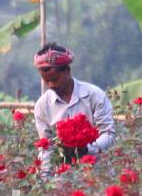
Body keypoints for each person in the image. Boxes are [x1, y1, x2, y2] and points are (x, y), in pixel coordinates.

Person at [33, 42, 115, 177]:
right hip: (63, 177)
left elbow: (108, 134)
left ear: (67, 71)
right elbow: (46, 147)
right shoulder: (42, 106)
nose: (51, 84)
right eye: (46, 81)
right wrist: (44, 177)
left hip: (98, 174)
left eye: (54, 79)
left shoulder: (94, 96)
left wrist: (87, 149)